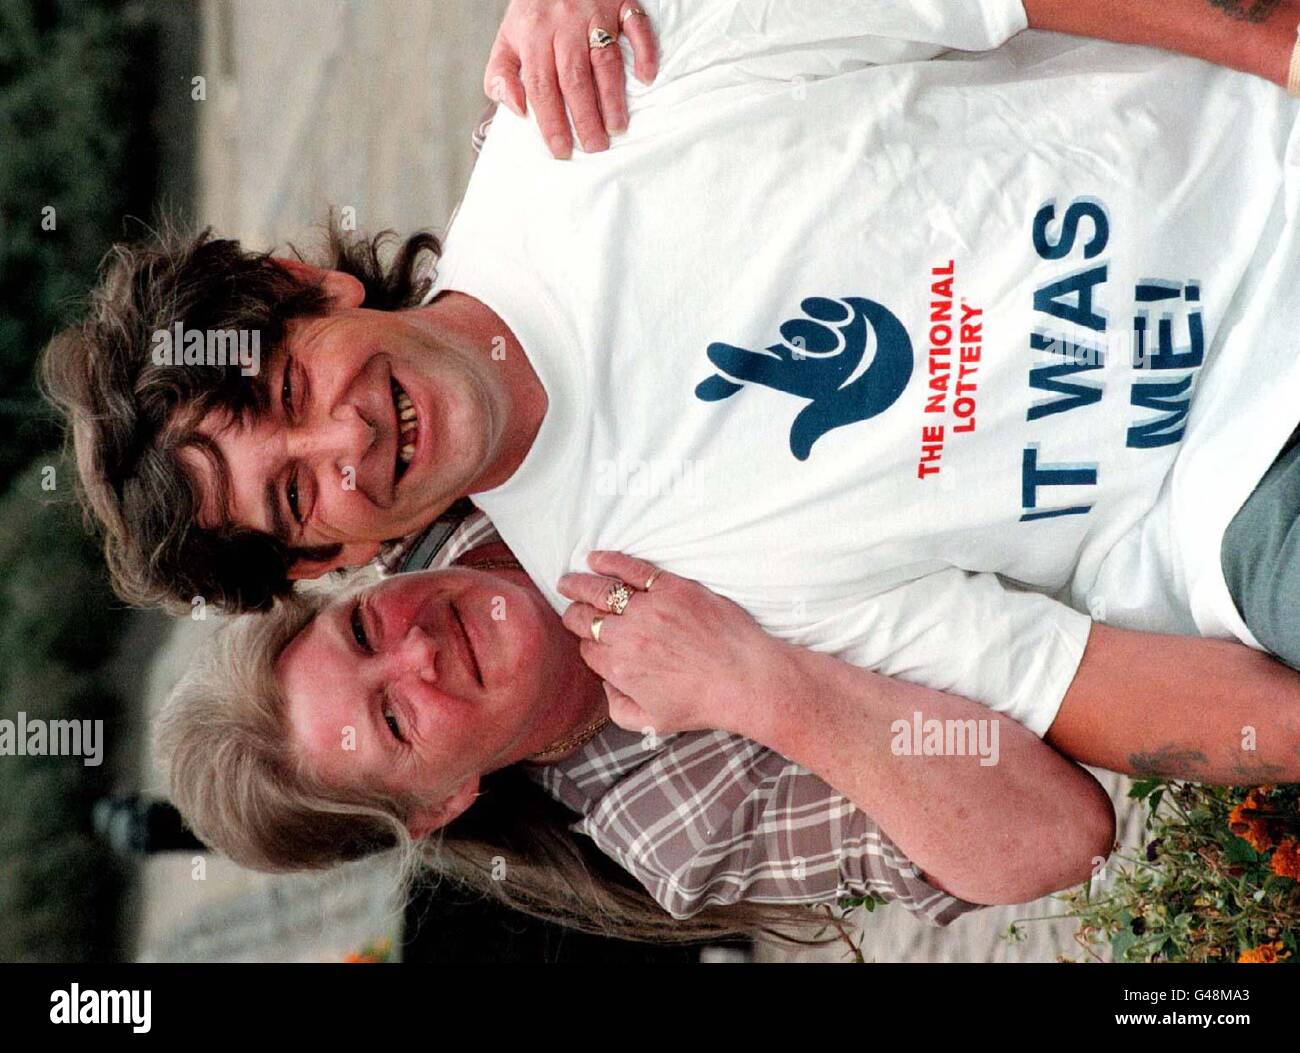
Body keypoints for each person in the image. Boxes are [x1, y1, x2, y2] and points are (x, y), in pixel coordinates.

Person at [43, 2, 1300, 782]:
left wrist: (1278, 43)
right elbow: (1072, 683)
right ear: (332, 562)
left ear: (301, 285)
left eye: (285, 388)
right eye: (298, 491)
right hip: (1249, 497)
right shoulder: (660, 613)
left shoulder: (591, 100)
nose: (348, 437)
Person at [155, 530, 1115, 941]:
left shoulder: (470, 474)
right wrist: (773, 693)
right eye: (396, 720)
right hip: (1124, 603)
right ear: (439, 804)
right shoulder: (673, 827)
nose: (419, 652)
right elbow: (1058, 833)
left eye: (362, 628)